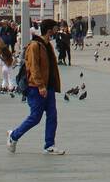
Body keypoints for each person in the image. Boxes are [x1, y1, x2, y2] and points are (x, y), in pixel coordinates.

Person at [6, 19, 66, 155]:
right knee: (35, 117)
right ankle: (13, 136)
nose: (57, 31)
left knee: (52, 115)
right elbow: (34, 67)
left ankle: (49, 145)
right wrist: (40, 85)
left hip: (49, 87)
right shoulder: (34, 46)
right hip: (36, 87)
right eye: (55, 28)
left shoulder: (48, 44)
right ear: (49, 30)